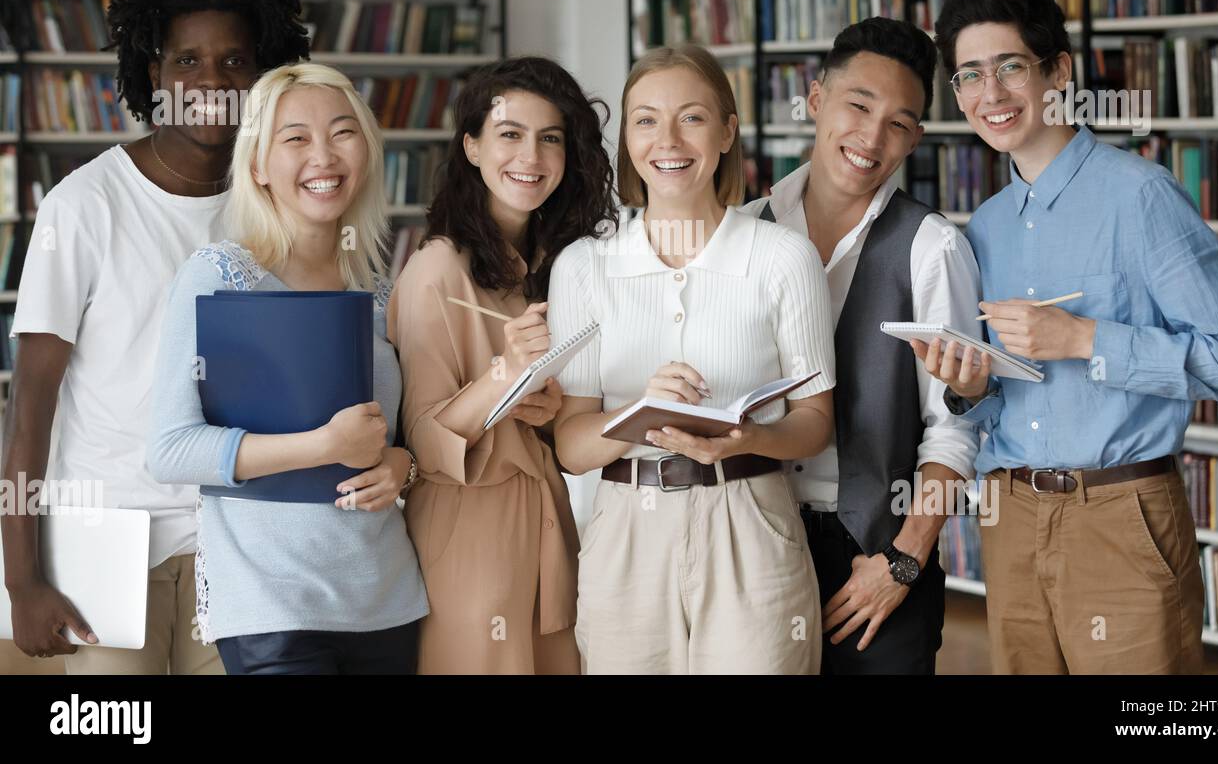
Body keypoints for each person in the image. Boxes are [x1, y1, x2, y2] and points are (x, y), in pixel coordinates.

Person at [924, 0, 1218, 673]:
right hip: (1009, 512)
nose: (989, 94)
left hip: (1121, 514)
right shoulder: (985, 228)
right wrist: (968, 386)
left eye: (1009, 67)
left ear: (1059, 71)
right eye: (968, 75)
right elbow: (1008, 396)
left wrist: (1084, 340)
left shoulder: (1140, 196)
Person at [1, 0, 310, 673]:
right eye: (188, 61)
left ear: (264, 75)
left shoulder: (282, 207)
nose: (213, 81)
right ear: (155, 74)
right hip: (106, 543)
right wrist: (20, 579)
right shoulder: (83, 207)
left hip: (239, 541)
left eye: (235, 61)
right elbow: (30, 407)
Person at [548, 44, 837, 674]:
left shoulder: (784, 258)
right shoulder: (584, 266)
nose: (668, 139)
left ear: (728, 130)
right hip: (625, 531)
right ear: (626, 137)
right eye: (645, 119)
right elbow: (571, 446)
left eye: (693, 117)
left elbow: (816, 422)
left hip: (752, 522)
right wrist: (638, 412)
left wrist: (748, 436)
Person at [147, 62, 428, 675]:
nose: (322, 156)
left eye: (342, 132)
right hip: (270, 609)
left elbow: (406, 444)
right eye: (295, 137)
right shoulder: (219, 277)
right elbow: (170, 450)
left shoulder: (383, 292)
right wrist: (322, 446)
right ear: (256, 165)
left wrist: (402, 466)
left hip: (386, 601)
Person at [742, 17, 981, 674]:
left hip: (877, 549)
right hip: (755, 543)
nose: (873, 138)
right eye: (858, 106)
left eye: (900, 123)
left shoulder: (934, 249)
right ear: (816, 100)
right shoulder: (740, 233)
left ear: (917, 140)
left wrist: (905, 559)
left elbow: (956, 430)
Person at [388, 56, 615, 674]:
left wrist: (542, 411)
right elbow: (421, 442)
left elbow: (559, 421)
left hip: (548, 523)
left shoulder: (561, 264)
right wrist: (501, 375)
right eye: (510, 135)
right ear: (472, 146)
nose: (531, 157)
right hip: (468, 536)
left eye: (550, 138)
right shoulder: (436, 270)